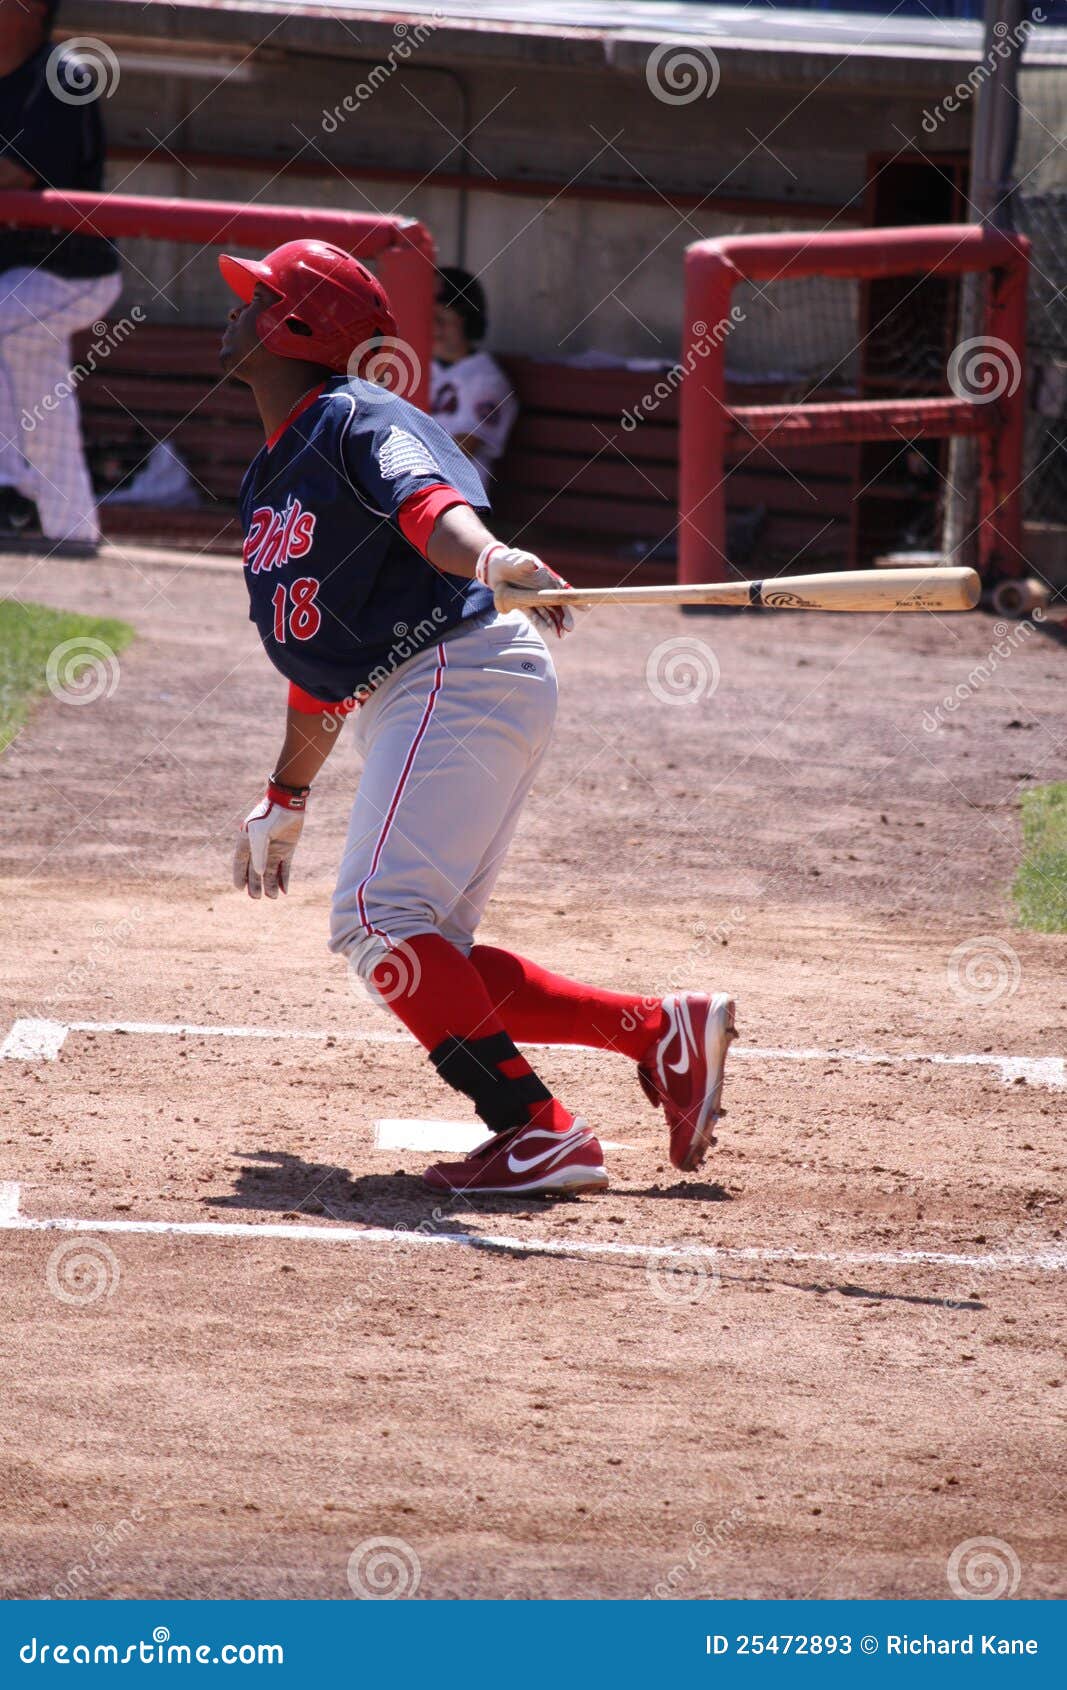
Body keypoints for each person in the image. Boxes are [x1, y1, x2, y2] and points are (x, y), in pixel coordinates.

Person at [219, 237, 736, 1197]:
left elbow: (428, 505)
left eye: (254, 300)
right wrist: (286, 791)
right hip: (426, 689)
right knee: (425, 952)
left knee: (379, 920)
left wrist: (493, 559)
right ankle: (657, 1032)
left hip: (457, 674)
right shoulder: (274, 471)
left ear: (293, 327)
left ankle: (540, 1132)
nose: (234, 313)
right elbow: (326, 658)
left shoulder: (352, 417)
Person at [0, 0, 121, 551]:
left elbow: (18, 174)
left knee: (5, 318)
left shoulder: (62, 73)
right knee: (40, 386)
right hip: (17, 280)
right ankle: (69, 528)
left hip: (72, 274)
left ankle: (12, 488)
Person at [430, 265, 517, 481]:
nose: (435, 329)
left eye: (444, 319)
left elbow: (462, 448)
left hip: (457, 496)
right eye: (429, 318)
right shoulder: (415, 367)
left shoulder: (486, 378)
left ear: (468, 322)